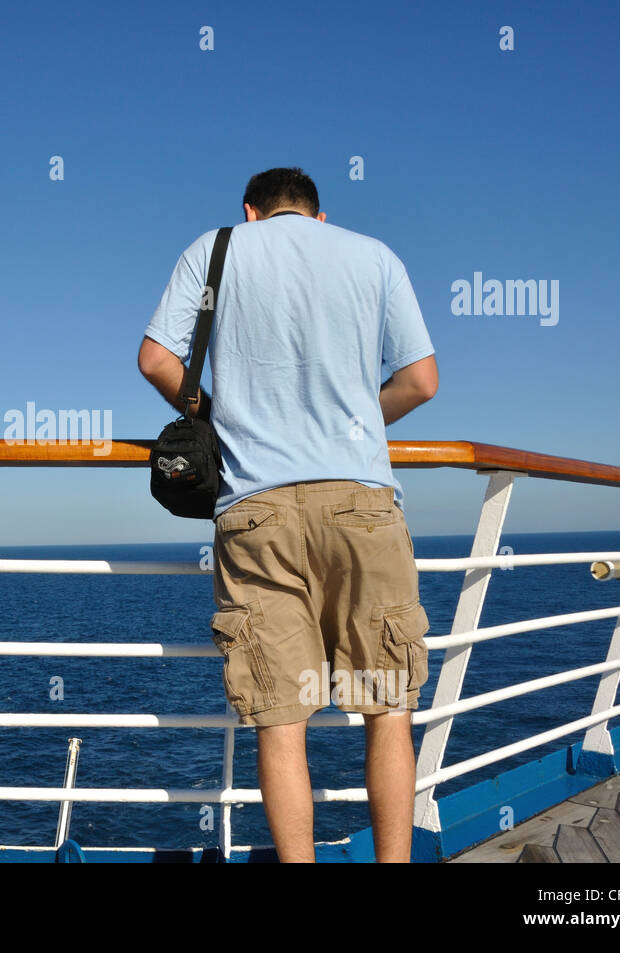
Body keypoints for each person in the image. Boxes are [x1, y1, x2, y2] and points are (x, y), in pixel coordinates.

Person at [138, 167, 438, 863]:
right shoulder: (375, 256)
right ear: (319, 215)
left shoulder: (214, 249)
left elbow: (156, 360)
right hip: (361, 503)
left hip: (256, 510)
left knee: (280, 720)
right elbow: (421, 379)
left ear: (251, 211)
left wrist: (217, 416)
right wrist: (362, 419)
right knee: (388, 706)